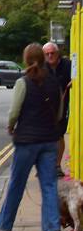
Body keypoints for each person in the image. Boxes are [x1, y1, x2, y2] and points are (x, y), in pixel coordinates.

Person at [0, 43, 64, 231]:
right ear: (42, 58)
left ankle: (5, 226)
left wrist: (11, 125)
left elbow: (14, 111)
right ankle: (52, 228)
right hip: (49, 141)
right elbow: (59, 113)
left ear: (26, 59)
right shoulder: (54, 83)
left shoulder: (23, 82)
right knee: (49, 185)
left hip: (27, 141)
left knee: (17, 183)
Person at [43, 41, 72, 177]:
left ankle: (57, 165)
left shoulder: (68, 65)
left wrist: (74, 81)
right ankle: (45, 166)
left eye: (52, 53)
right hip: (46, 107)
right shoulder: (42, 67)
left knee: (59, 135)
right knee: (46, 137)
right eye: (47, 54)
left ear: (57, 53)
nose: (50, 56)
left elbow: (77, 76)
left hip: (63, 106)